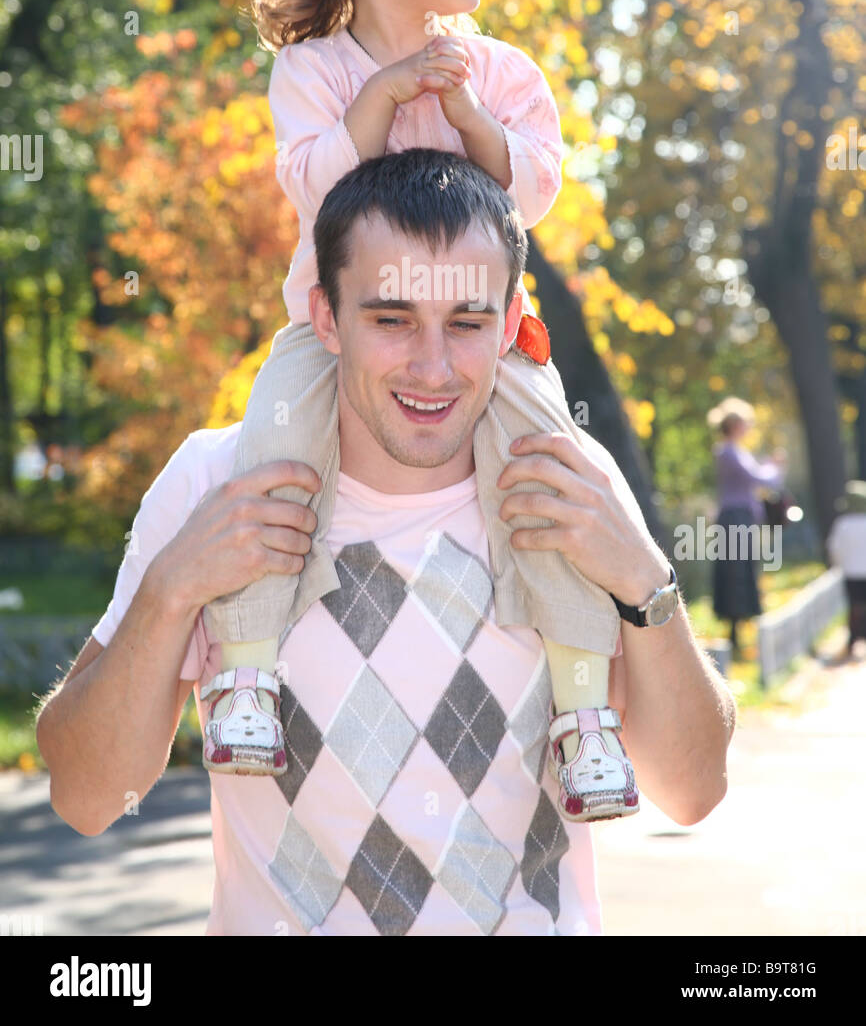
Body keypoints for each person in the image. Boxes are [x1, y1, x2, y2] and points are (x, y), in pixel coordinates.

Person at [36, 150, 735, 937]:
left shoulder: (570, 482)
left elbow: (693, 789)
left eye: (467, 323)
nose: (432, 368)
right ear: (326, 316)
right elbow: (87, 797)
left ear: (510, 326)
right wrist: (170, 595)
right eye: (392, 319)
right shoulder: (215, 481)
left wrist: (644, 581)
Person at [203, 0, 627, 820]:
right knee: (272, 449)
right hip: (334, 335)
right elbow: (312, 184)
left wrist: (466, 113)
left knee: (551, 486)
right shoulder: (312, 70)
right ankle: (249, 672)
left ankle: (581, 710)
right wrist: (382, 100)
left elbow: (529, 192)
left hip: (493, 344)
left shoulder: (504, 72)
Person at [706, 397, 787, 652]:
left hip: (739, 517)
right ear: (733, 425)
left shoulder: (735, 451)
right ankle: (735, 632)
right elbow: (758, 478)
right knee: (735, 571)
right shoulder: (728, 451)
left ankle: (740, 629)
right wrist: (774, 468)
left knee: (741, 569)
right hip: (735, 517)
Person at [826, 480, 866, 660]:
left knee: (855, 606)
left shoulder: (842, 523)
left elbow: (834, 548)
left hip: (851, 573)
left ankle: (853, 639)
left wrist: (837, 565)